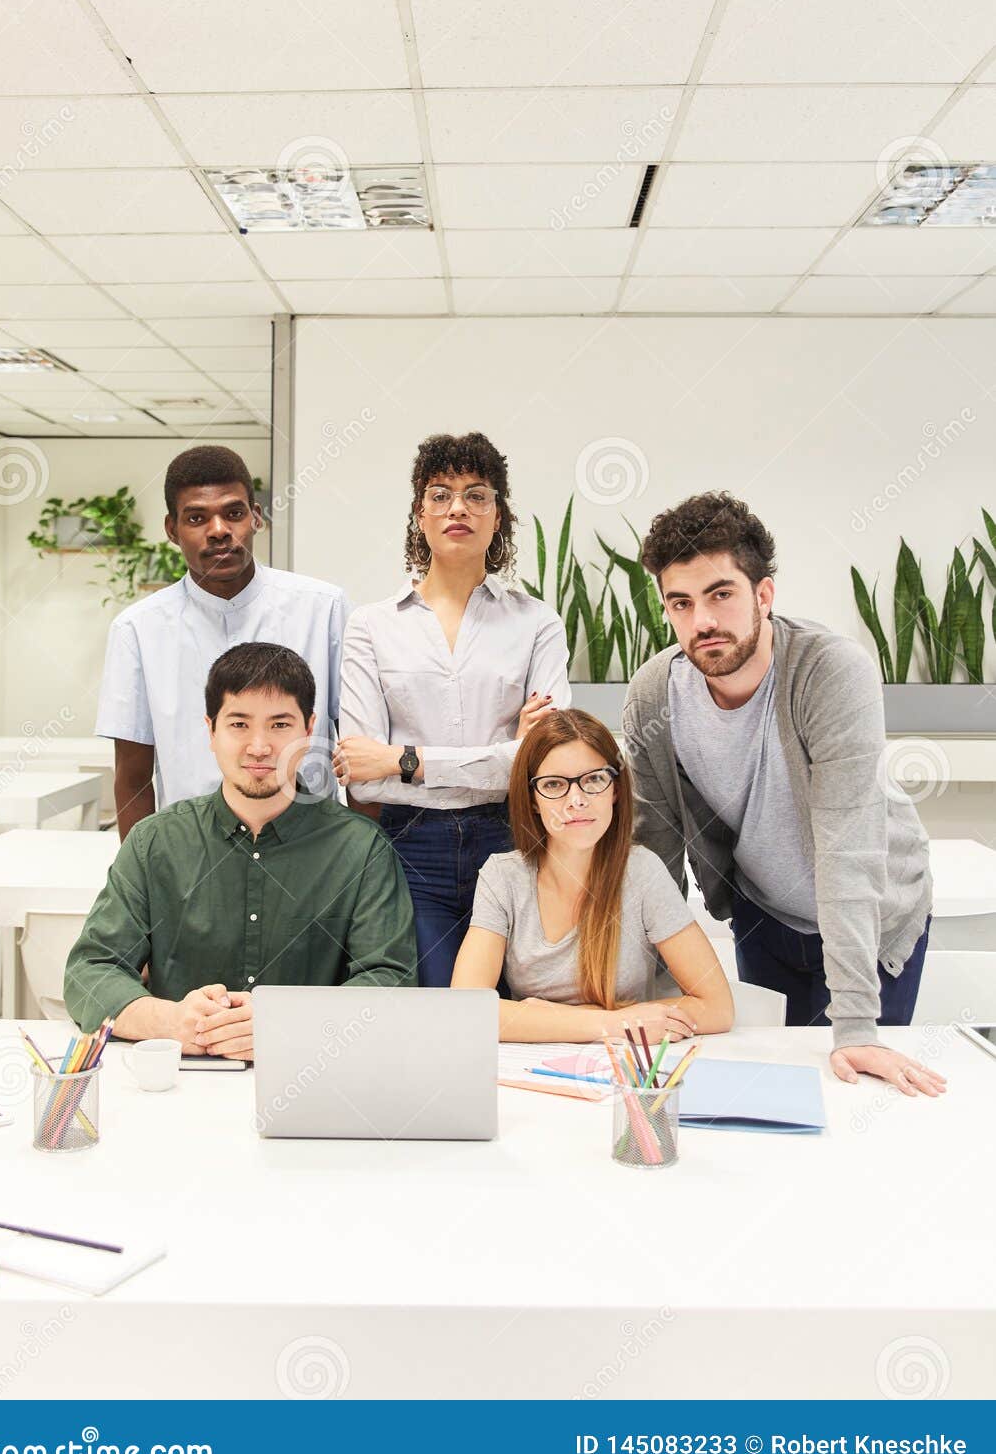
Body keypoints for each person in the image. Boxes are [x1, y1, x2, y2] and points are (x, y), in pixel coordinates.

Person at [622, 490, 945, 1098]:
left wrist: (854, 1027)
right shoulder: (653, 696)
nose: (702, 623)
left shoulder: (829, 672)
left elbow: (849, 853)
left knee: (859, 1088)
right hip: (763, 915)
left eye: (721, 594)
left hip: (871, 919)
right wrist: (659, 1001)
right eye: (681, 603)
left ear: (763, 595)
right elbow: (654, 859)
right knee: (774, 1091)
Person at [65, 643, 417, 1058]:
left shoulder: (362, 849)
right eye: (239, 724)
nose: (259, 746)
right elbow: (90, 970)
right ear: (210, 731)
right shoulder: (153, 842)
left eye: (280, 725)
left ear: (309, 730)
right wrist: (170, 1020)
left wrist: (286, 1023)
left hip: (312, 1078)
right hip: (179, 1082)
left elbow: (390, 980)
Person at [333, 431, 570, 986]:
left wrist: (403, 760)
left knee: (515, 1014)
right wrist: (506, 750)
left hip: (512, 841)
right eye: (440, 494)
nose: (457, 507)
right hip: (409, 850)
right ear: (420, 514)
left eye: (476, 494)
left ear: (498, 516)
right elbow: (364, 781)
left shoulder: (537, 624)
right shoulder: (372, 626)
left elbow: (547, 767)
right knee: (437, 1015)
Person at [97, 444, 347, 839]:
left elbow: (357, 750)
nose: (218, 530)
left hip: (312, 846)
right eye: (197, 517)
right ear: (171, 530)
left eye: (234, 513)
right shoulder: (137, 630)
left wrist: (365, 856)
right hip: (191, 851)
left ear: (256, 517)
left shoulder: (323, 608)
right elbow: (132, 777)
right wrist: (141, 878)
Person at [452, 709, 733, 1043]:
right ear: (532, 801)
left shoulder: (642, 871)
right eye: (554, 784)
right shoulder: (502, 876)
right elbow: (468, 1010)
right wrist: (615, 1023)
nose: (577, 800)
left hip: (626, 1069)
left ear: (615, 789)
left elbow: (717, 1008)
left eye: (594, 780)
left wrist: (542, 1017)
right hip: (531, 1071)